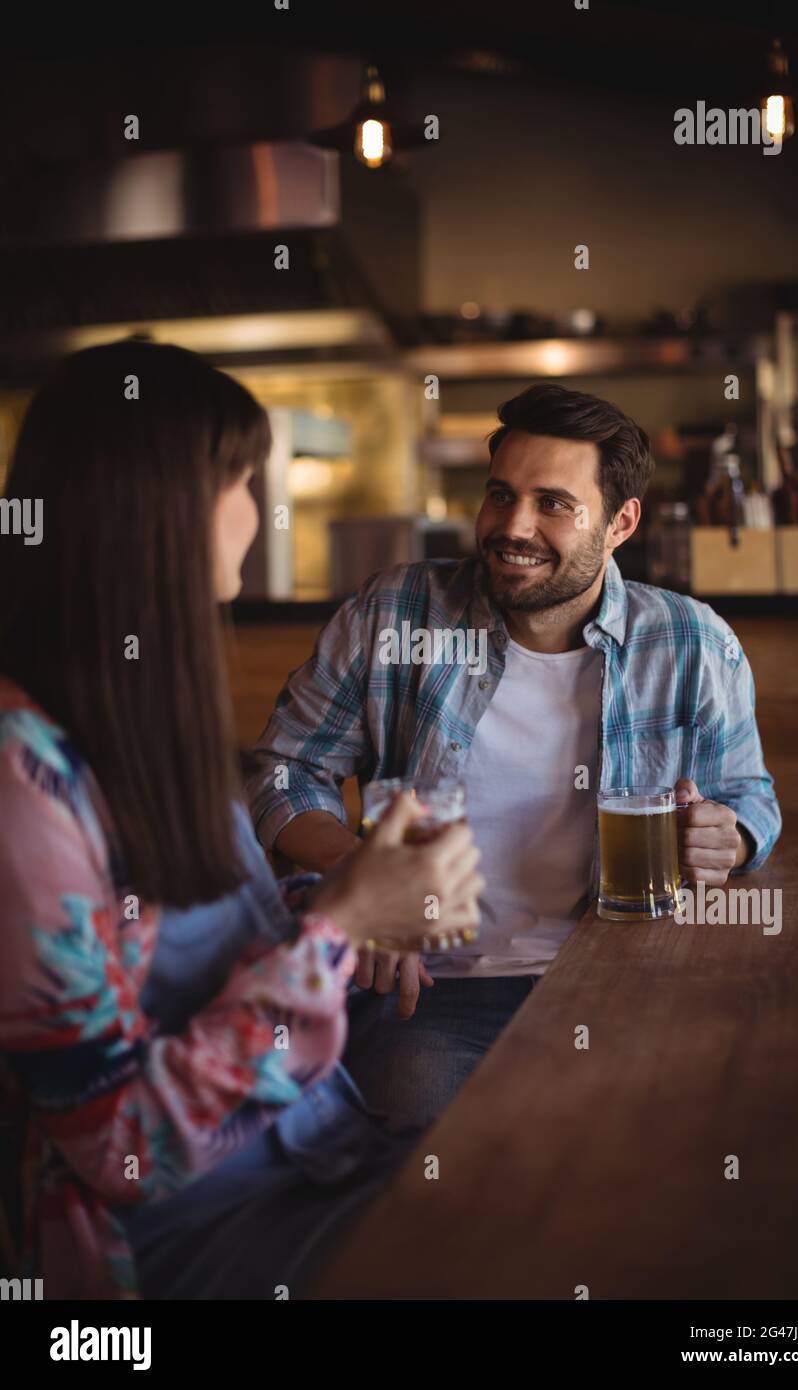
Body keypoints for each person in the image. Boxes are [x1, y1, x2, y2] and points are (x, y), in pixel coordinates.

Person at [0, 340, 483, 1301]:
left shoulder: (132, 718)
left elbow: (192, 936)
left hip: (307, 1162)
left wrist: (352, 907)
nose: (259, 511)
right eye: (243, 480)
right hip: (177, 1245)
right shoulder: (23, 784)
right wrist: (338, 926)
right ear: (159, 509)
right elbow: (121, 1148)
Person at [245, 383, 782, 1131]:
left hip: (628, 980)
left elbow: (750, 796)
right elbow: (283, 772)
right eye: (501, 495)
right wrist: (363, 882)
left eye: (554, 503)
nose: (514, 526)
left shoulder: (694, 643)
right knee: (421, 1160)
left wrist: (733, 833)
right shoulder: (390, 616)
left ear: (621, 522)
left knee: (689, 1141)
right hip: (433, 991)